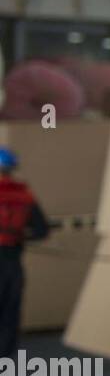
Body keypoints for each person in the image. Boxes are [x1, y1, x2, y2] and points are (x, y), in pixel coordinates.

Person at [0, 148, 49, 359]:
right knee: (9, 313)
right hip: (12, 262)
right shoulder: (25, 195)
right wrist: (20, 236)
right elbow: (42, 231)